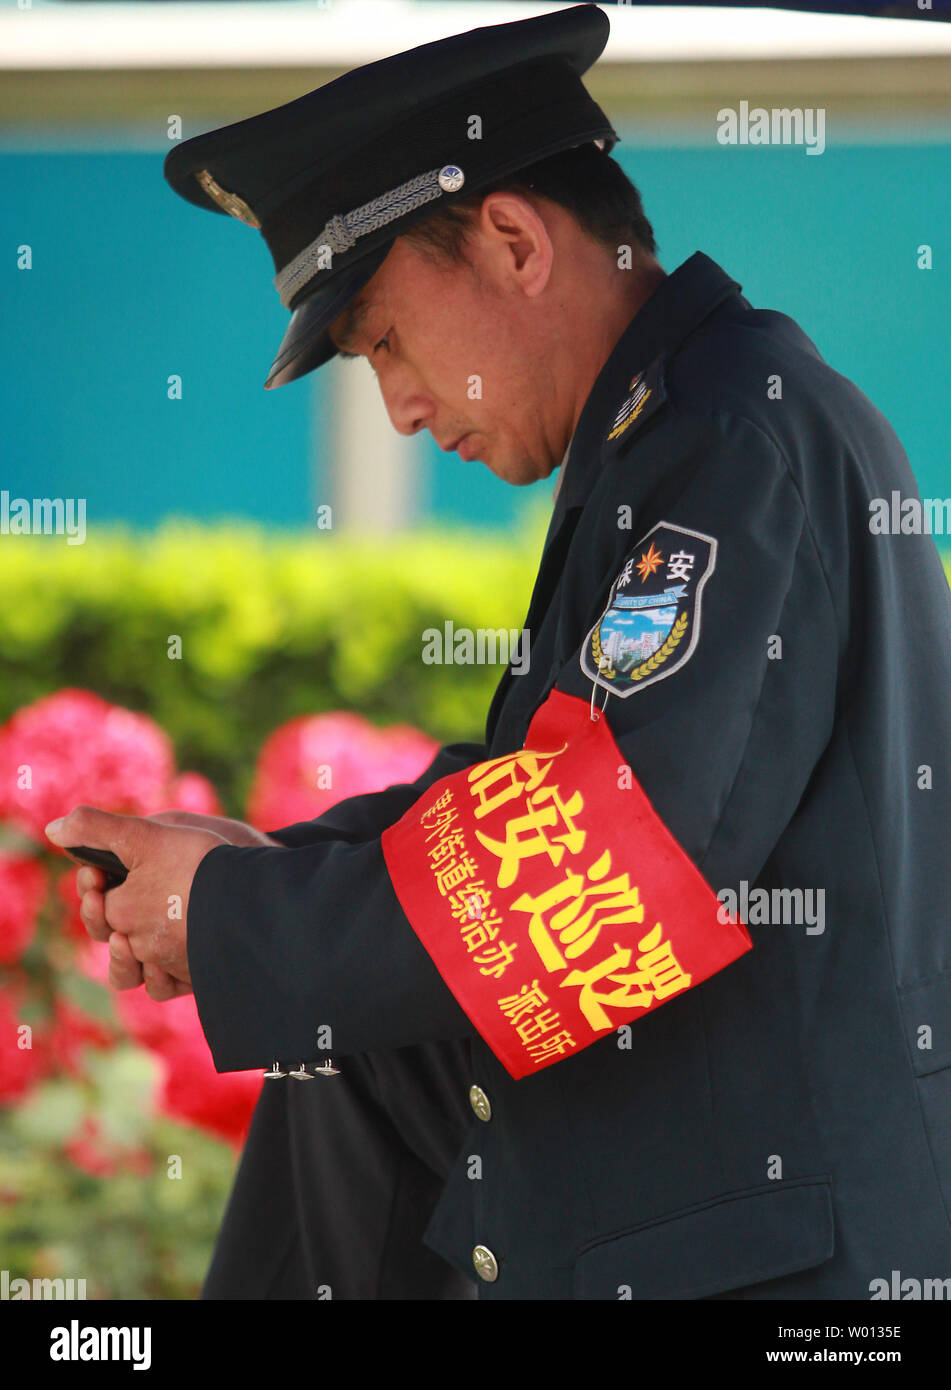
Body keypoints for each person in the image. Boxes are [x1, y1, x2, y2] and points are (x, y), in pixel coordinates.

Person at [47, 3, 951, 1300]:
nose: (402, 408)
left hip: (793, 1279)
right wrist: (281, 869)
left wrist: (240, 914)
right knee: (340, 1046)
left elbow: (608, 862)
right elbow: (536, 805)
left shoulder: (733, 436)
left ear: (516, 242)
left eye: (386, 344)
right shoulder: (684, 429)